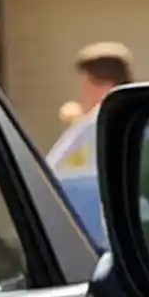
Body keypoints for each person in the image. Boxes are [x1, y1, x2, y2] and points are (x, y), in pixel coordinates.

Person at [47, 42, 135, 250]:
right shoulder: (117, 117)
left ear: (103, 85)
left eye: (86, 84)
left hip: (92, 239)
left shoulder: (99, 119)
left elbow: (50, 174)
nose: (82, 92)